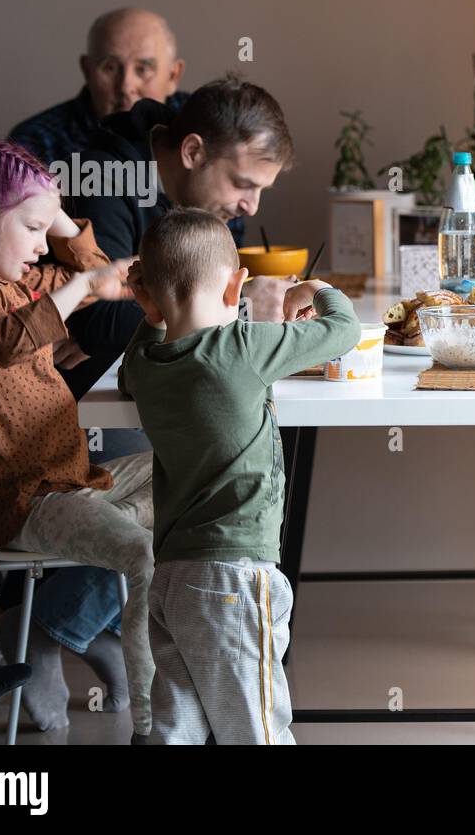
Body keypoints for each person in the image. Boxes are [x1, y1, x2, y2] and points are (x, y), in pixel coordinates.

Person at [0, 141, 157, 741]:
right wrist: (75, 285)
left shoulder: (15, 280)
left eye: (47, 232)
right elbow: (4, 341)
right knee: (142, 554)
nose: (43, 245)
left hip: (70, 481)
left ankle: (77, 614)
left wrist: (61, 220)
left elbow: (90, 272)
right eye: (33, 228)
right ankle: (152, 727)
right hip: (22, 498)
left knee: (195, 474)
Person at [118, 209, 360, 743]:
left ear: (149, 297)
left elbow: (130, 368)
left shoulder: (146, 364)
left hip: (172, 579)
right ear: (236, 287)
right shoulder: (244, 348)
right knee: (256, 727)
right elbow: (345, 331)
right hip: (236, 577)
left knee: (177, 727)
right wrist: (316, 287)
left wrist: (150, 316)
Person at [58, 74, 295, 399]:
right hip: (94, 399)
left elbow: (121, 324)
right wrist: (239, 306)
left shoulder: (202, 199)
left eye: (261, 190)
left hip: (164, 375)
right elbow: (99, 320)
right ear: (193, 152)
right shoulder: (101, 179)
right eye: (243, 184)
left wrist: (148, 316)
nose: (252, 207)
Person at [9, 7, 187, 165]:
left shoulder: (204, 125)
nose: (125, 86)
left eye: (143, 69)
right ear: (87, 71)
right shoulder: (34, 145)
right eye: (110, 68)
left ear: (173, 76)